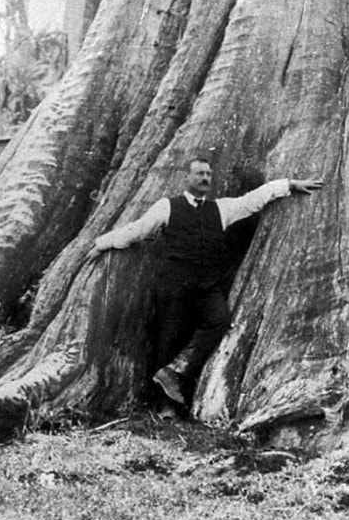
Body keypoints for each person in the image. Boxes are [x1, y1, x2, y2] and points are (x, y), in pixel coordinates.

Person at [90, 156, 323, 407]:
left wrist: (288, 185)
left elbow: (253, 200)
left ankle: (177, 370)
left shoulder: (221, 208)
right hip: (175, 284)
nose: (204, 179)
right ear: (186, 178)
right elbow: (138, 230)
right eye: (199, 174)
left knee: (219, 319)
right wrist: (102, 244)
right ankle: (164, 407)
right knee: (169, 338)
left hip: (206, 286)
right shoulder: (167, 206)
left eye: (208, 175)